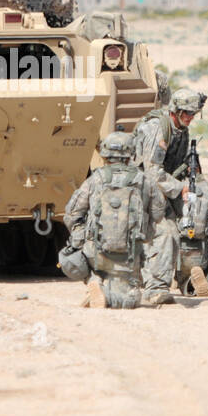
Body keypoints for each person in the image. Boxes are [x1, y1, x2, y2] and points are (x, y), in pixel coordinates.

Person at [64, 131, 170, 309]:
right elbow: (159, 213)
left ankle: (94, 280)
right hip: (131, 255)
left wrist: (81, 238)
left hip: (96, 254)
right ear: (130, 154)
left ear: (105, 154)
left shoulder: (95, 179)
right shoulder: (144, 180)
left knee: (77, 250)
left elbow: (71, 213)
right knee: (131, 300)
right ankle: (106, 292)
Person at [132, 87, 208, 298]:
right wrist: (181, 189)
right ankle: (156, 286)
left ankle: (188, 275)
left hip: (168, 185)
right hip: (147, 189)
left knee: (197, 217)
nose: (190, 117)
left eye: (193, 114)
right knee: (166, 231)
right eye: (186, 113)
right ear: (175, 111)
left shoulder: (180, 130)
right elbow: (152, 173)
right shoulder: (158, 129)